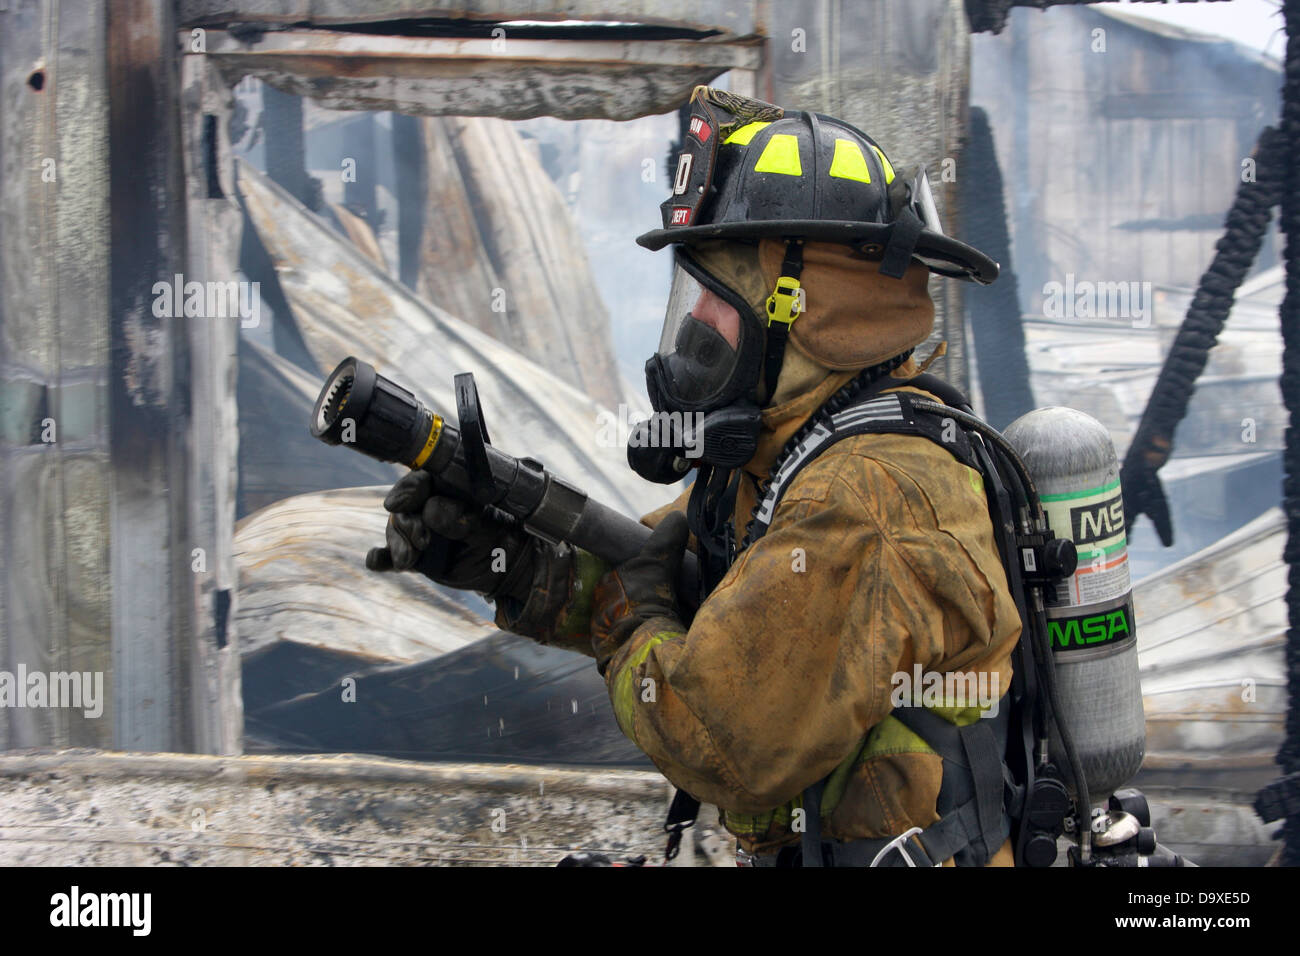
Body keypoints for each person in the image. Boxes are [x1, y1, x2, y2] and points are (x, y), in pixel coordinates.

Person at [368, 87, 1021, 867]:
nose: (694, 328)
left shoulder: (860, 497)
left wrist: (630, 621)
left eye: (715, 300)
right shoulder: (785, 456)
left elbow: (724, 738)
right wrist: (511, 564)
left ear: (806, 310)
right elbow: (668, 581)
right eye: (691, 296)